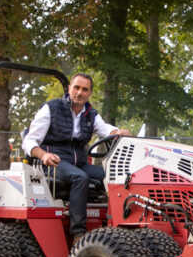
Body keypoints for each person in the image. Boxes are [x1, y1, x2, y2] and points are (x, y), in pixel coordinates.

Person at [22, 73, 131, 242]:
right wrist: (44, 155)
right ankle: (78, 234)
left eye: (84, 89)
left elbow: (106, 130)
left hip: (78, 163)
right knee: (80, 178)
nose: (79, 93)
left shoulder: (90, 114)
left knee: (113, 176)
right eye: (76, 88)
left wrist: (118, 132)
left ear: (89, 93)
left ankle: (118, 224)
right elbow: (29, 140)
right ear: (69, 89)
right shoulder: (51, 108)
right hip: (53, 164)